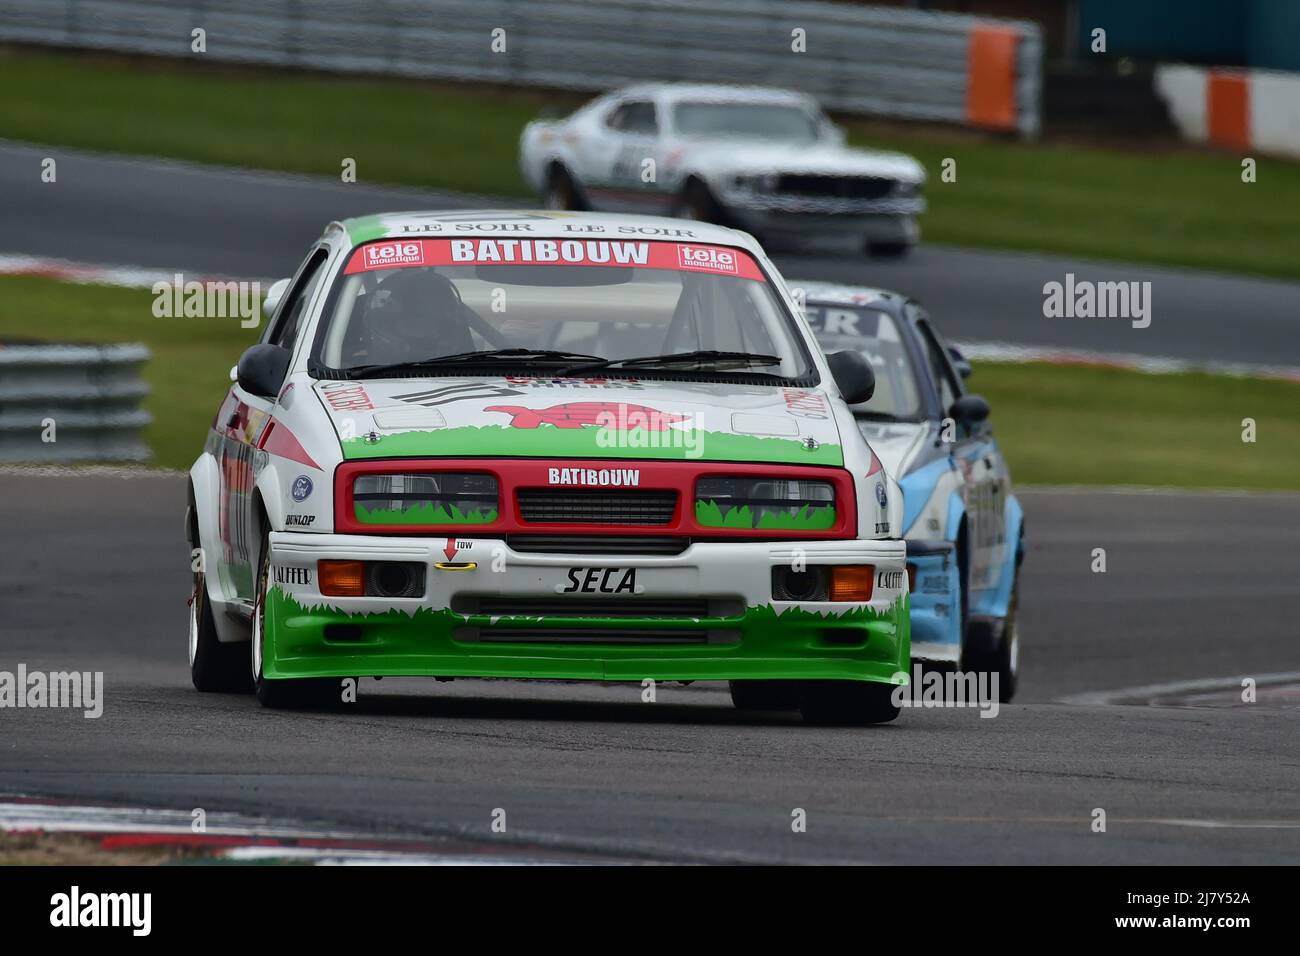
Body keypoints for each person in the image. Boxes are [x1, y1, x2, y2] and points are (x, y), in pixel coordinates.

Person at [361, 269, 475, 364]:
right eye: (417, 319)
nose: (432, 330)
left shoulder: (470, 359)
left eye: (439, 321)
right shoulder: (355, 378)